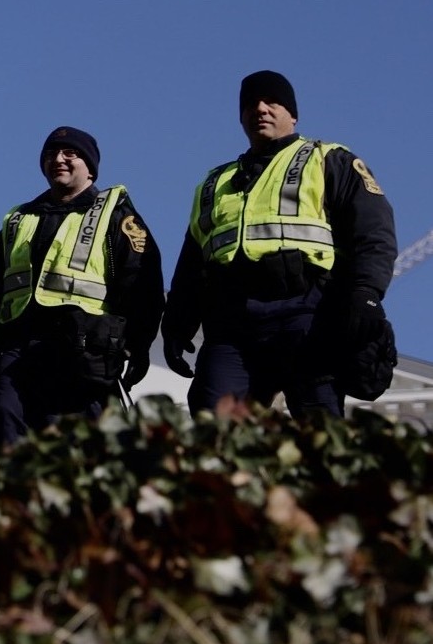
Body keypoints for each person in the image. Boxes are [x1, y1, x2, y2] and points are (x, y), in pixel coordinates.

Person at [162, 71, 397, 418]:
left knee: (317, 425)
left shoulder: (329, 159)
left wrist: (367, 292)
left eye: (272, 101)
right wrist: (177, 323)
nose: (260, 109)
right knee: (214, 422)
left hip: (307, 312)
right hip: (232, 322)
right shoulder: (215, 183)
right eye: (250, 104)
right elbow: (193, 261)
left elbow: (373, 231)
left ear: (293, 114)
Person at [0, 127, 165, 450]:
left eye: (70, 153)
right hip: (19, 349)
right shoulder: (19, 220)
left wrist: (137, 347)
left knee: (82, 445)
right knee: (7, 429)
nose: (58, 159)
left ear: (90, 167)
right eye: (51, 154)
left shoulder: (116, 216)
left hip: (83, 353)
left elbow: (144, 286)